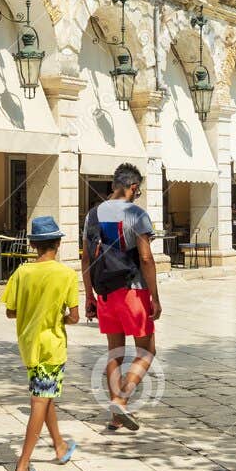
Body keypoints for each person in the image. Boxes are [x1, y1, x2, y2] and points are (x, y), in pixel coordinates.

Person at [82, 163, 161, 431]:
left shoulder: (92, 215)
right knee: (147, 350)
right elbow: (147, 258)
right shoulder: (136, 214)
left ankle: (116, 415)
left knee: (114, 352)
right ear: (133, 187)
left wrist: (88, 296)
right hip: (133, 289)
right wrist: (155, 297)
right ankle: (120, 399)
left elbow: (85, 259)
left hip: (104, 292)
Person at [2, 215, 80, 471]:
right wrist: (60, 317)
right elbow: (74, 316)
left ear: (34, 245)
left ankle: (59, 445)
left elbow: (11, 312)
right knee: (39, 400)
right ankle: (23, 464)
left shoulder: (21, 272)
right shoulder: (67, 274)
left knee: (45, 394)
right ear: (58, 243)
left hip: (28, 345)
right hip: (52, 347)